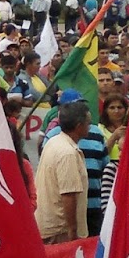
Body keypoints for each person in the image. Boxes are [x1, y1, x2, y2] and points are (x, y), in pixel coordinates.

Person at [35, 101, 90, 243]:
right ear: (79, 126)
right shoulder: (68, 153)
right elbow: (68, 194)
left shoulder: (53, 142)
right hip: (60, 231)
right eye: (88, 123)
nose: (90, 127)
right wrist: (72, 230)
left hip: (49, 225)